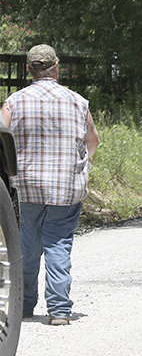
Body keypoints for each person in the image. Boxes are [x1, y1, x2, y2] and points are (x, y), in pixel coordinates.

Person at [1, 44, 100, 326]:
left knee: (27, 246)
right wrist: (85, 165)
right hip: (66, 187)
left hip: (28, 186)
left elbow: (1, 137)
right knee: (59, 244)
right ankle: (59, 310)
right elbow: (92, 141)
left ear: (30, 69)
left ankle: (23, 305)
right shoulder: (78, 102)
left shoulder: (14, 102)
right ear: (56, 67)